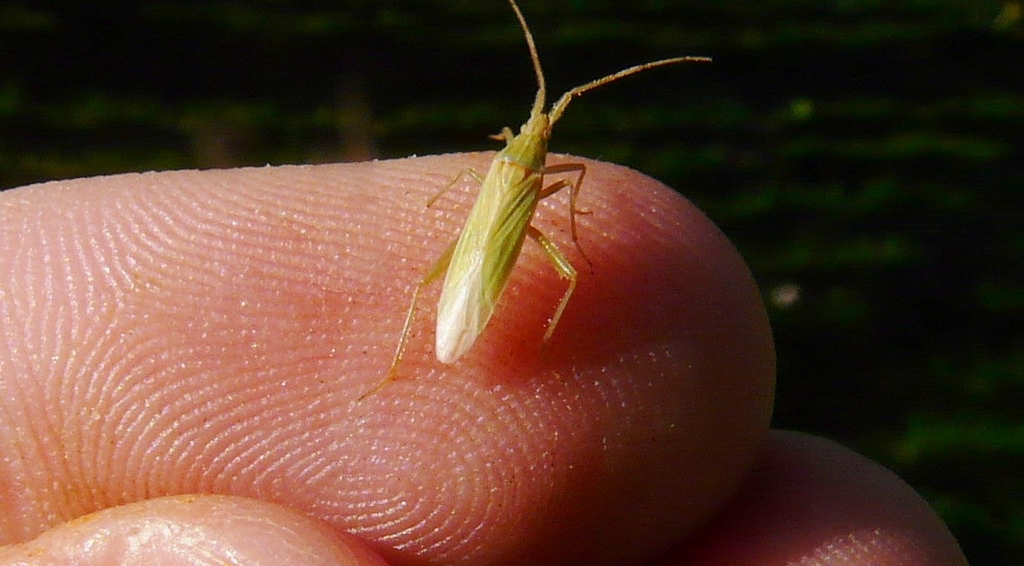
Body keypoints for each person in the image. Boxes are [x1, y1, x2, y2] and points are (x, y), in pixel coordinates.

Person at [0, 156, 967, 565]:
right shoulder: (523, 171)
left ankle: (424, 365)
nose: (537, 135)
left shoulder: (533, 173)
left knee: (468, 291)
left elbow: (559, 181)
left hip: (491, 239)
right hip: (484, 248)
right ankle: (401, 368)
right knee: (442, 291)